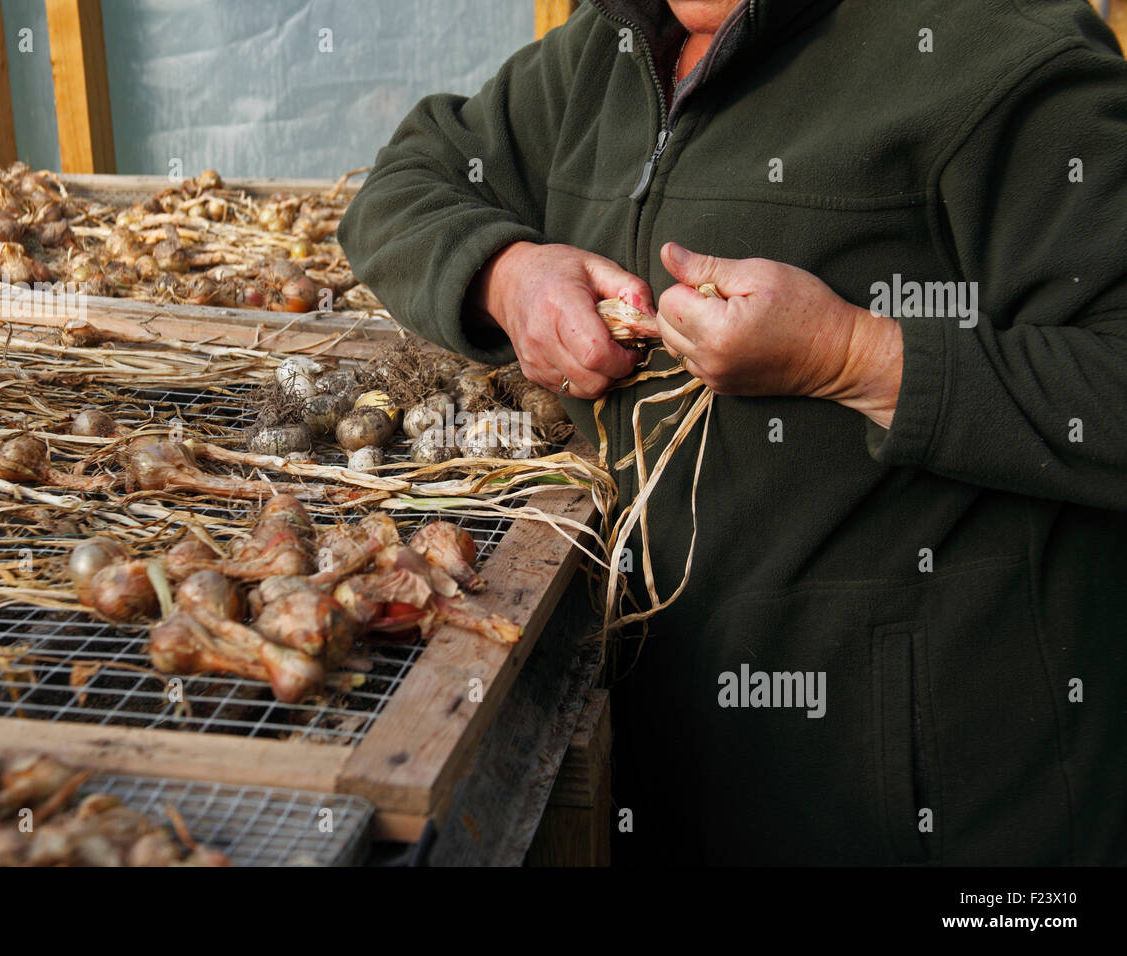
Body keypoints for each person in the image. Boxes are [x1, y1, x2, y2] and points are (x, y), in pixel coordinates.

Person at [338, 0, 1127, 865]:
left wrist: (852, 355)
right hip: (654, 756)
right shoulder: (612, 48)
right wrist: (507, 272)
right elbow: (407, 181)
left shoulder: (1000, 51)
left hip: (919, 799)